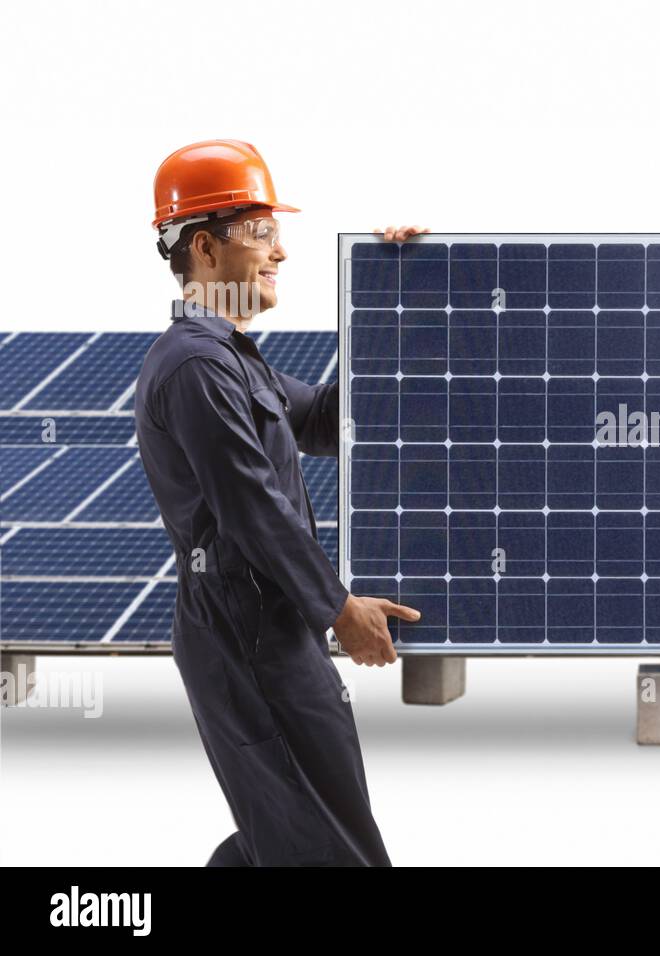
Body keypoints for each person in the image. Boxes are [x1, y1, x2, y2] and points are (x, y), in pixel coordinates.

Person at [136, 139, 426, 865]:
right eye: (263, 233)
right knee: (324, 846)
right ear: (205, 247)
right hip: (246, 632)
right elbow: (252, 507)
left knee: (288, 833)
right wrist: (338, 607)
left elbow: (331, 419)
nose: (281, 253)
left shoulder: (231, 358)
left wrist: (401, 290)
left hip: (262, 630)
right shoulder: (198, 367)